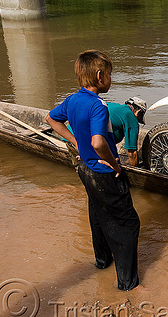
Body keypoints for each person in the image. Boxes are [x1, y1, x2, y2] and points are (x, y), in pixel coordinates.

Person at [46, 50, 141, 291]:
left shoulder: (72, 100)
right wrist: (115, 163)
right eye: (109, 74)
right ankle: (128, 285)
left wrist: (76, 141)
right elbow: (99, 143)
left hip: (85, 169)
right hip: (103, 172)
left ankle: (102, 261)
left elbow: (51, 118)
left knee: (98, 215)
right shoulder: (99, 106)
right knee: (127, 224)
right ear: (99, 76)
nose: (111, 78)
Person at [108, 97, 147, 167]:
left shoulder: (112, 105)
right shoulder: (131, 119)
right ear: (138, 111)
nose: (137, 120)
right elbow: (132, 153)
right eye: (140, 117)